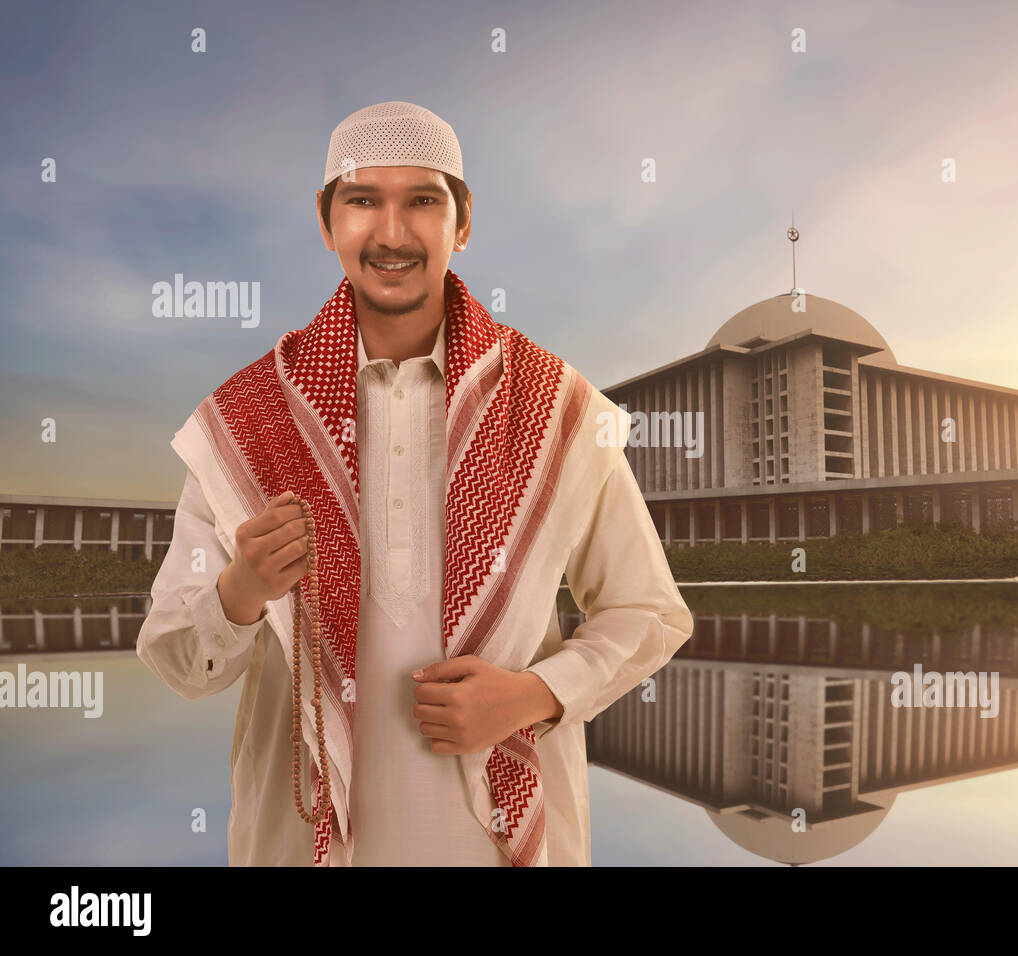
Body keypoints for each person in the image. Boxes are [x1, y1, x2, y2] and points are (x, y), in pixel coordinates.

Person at [136, 101, 694, 866]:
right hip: (303, 842)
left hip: (499, 841)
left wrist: (532, 695)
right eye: (363, 200)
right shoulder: (250, 422)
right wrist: (241, 588)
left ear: (462, 222)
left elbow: (650, 614)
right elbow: (174, 657)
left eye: (422, 201)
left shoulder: (553, 406)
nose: (392, 233)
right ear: (328, 223)